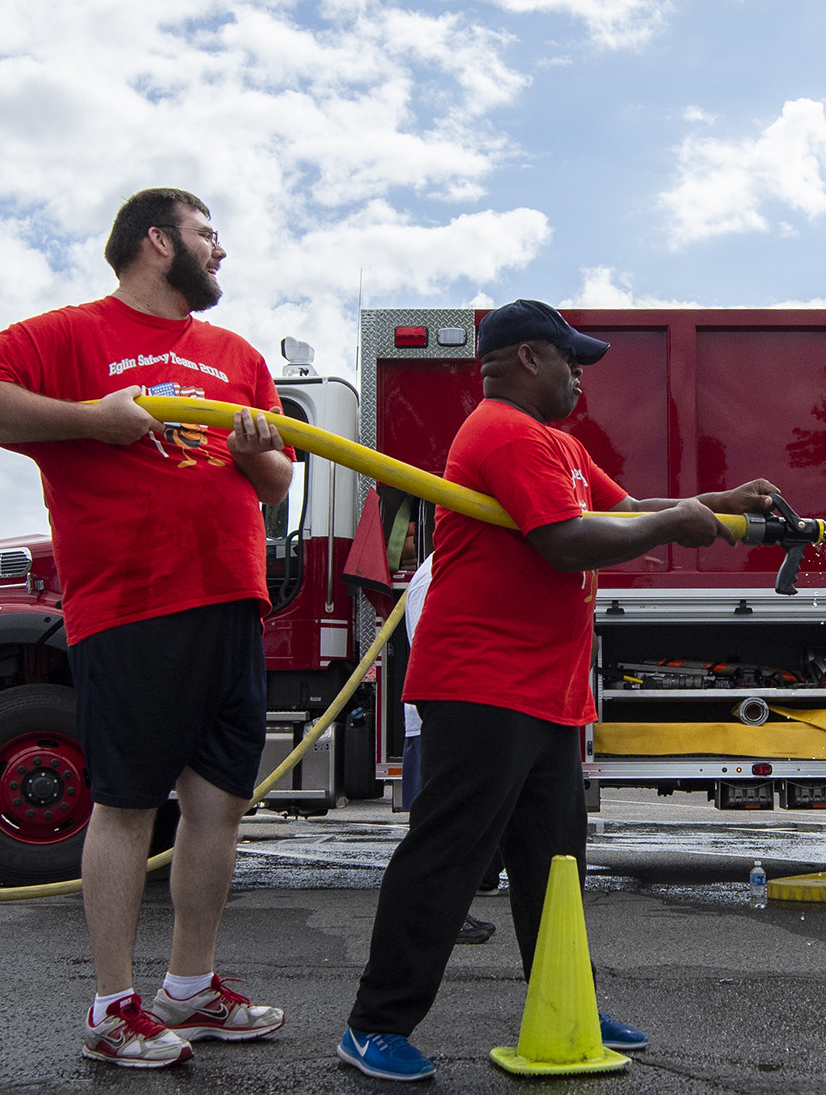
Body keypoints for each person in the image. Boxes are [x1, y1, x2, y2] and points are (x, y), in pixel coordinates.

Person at [337, 300, 787, 1083]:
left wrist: (715, 503)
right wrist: (675, 523)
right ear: (527, 358)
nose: (582, 375)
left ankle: (565, 993)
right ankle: (375, 1023)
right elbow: (564, 541)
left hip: (542, 689)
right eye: (572, 358)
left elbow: (621, 511)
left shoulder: (559, 445)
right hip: (484, 682)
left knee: (556, 863)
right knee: (449, 855)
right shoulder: (500, 431)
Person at [0, 188, 296, 1069]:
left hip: (228, 600)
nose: (222, 251)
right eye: (210, 234)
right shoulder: (68, 335)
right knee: (128, 802)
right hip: (132, 603)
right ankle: (110, 1007)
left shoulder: (235, 354)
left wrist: (254, 448)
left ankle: (191, 987)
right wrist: (91, 420)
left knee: (217, 804)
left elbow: (278, 480)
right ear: (158, 240)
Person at [390, 553, 495, 946]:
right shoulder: (437, 572)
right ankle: (426, 921)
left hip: (442, 718)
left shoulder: (447, 567)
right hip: (436, 722)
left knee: (458, 829)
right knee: (435, 834)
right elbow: (433, 645)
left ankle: (446, 913)